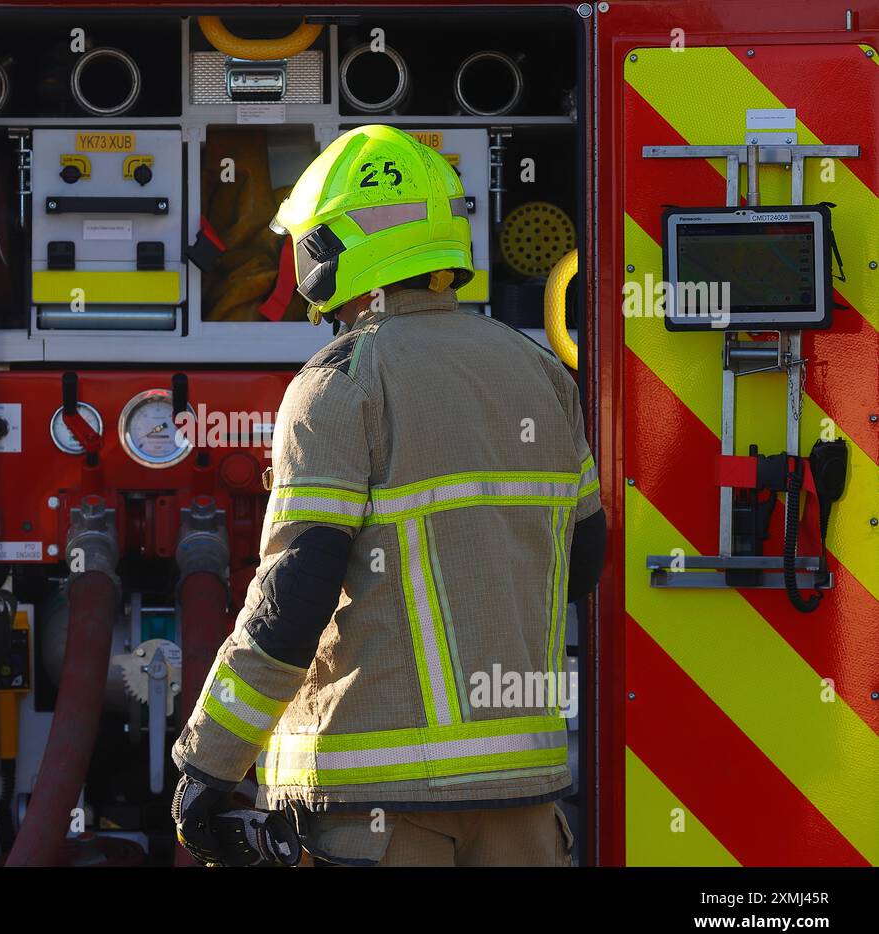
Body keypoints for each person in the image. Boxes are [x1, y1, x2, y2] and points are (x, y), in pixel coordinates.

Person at [171, 125, 606, 867]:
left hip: (376, 810)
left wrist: (209, 765)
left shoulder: (339, 385)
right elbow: (584, 560)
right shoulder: (538, 373)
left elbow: (293, 598)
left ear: (326, 254)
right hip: (523, 801)